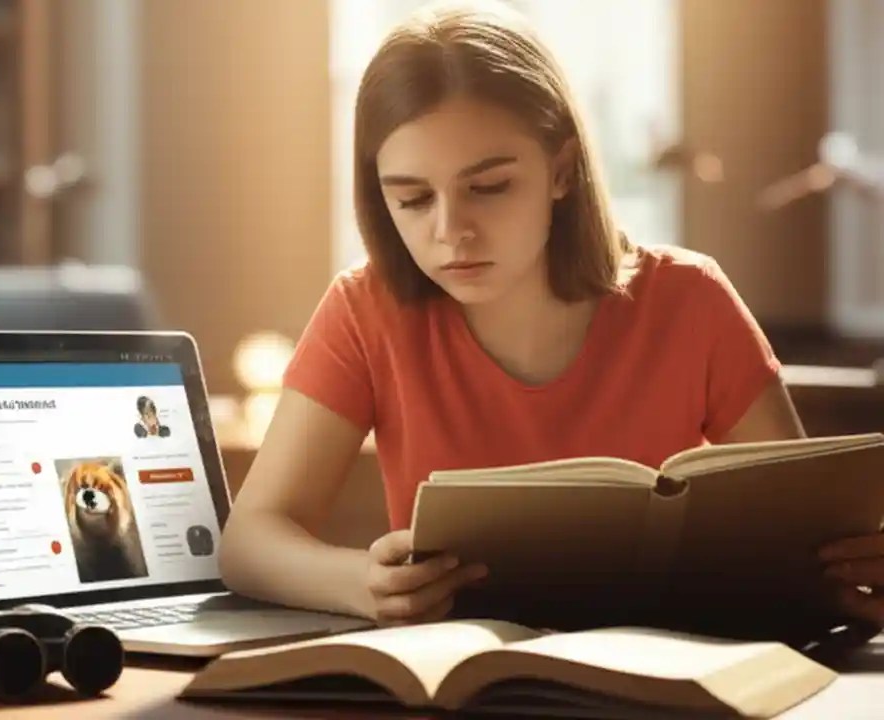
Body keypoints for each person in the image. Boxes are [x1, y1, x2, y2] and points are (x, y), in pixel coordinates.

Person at [217, 0, 883, 633]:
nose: (451, 232)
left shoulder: (690, 299)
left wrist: (851, 577)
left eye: (489, 187)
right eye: (413, 199)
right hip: (459, 680)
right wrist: (360, 583)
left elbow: (812, 545)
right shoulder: (366, 309)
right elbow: (249, 541)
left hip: (666, 675)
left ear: (562, 170)